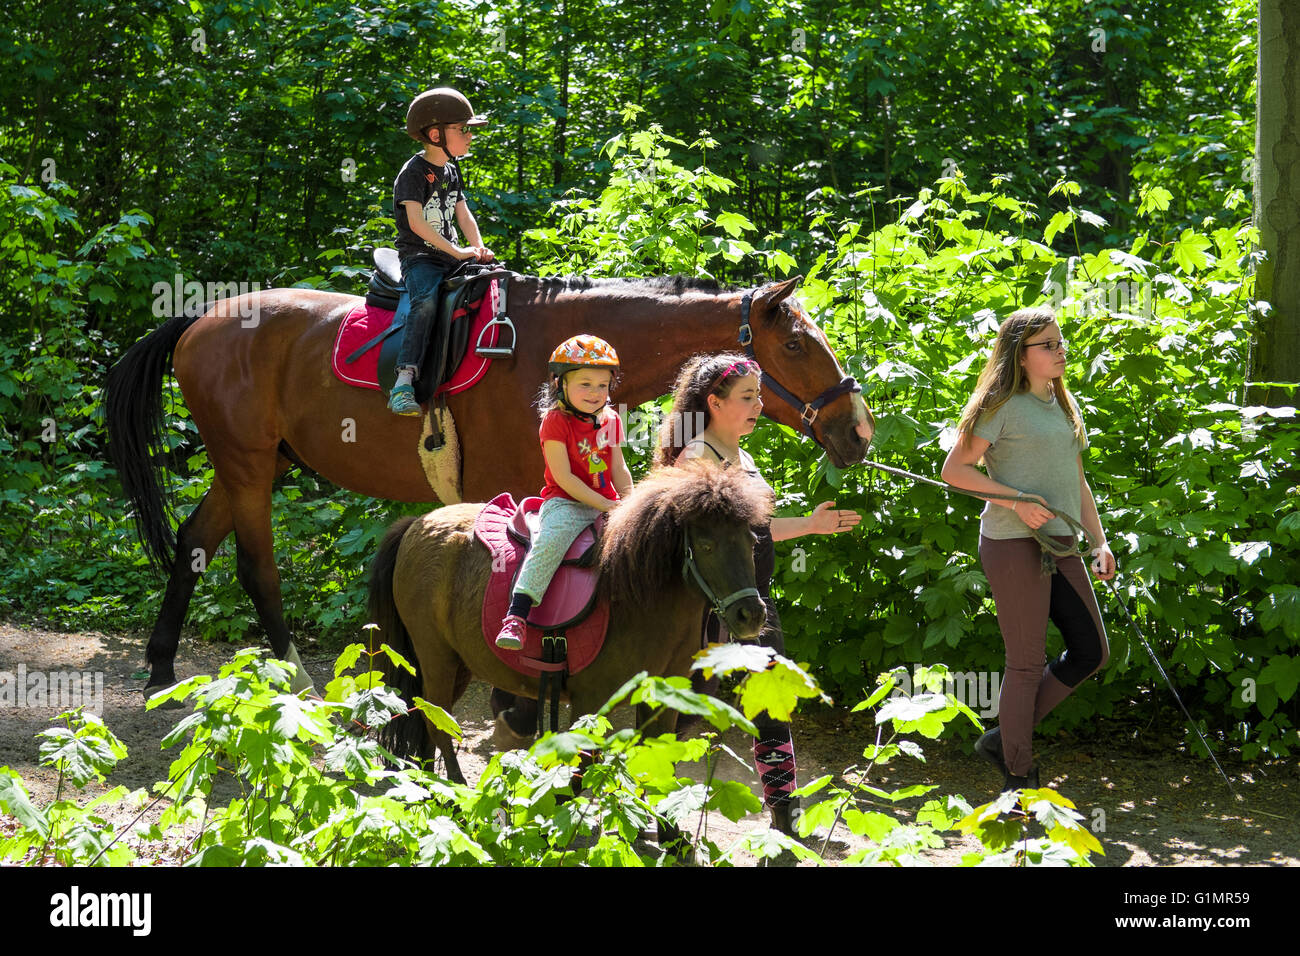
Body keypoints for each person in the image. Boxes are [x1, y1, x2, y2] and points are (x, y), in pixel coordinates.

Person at [656, 352, 862, 834]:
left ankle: (783, 819)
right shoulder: (696, 457)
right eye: (747, 397)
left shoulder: (742, 457)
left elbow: (757, 532)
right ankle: (656, 808)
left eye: (760, 396)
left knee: (773, 702)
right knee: (684, 708)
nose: (758, 405)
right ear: (714, 402)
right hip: (710, 607)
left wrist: (811, 526)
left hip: (753, 601)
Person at [940, 308, 1115, 792]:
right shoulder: (1001, 406)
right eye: (1049, 345)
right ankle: (1017, 775)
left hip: (1063, 543)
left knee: (1091, 650)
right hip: (1012, 544)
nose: (1061, 352)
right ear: (1021, 353)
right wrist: (1015, 501)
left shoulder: (1061, 402)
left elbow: (1077, 481)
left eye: (1060, 343)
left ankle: (1002, 738)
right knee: (1025, 662)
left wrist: (1099, 542)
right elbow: (954, 471)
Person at [495, 335, 634, 649]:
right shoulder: (555, 422)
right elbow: (564, 477)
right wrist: (604, 503)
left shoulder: (611, 418)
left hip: (606, 502)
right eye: (585, 384)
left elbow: (618, 468)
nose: (596, 393)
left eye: (603, 385)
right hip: (566, 502)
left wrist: (632, 501)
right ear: (560, 384)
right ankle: (517, 614)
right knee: (551, 542)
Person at [388, 87, 495, 416]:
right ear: (435, 134)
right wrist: (456, 251)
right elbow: (417, 223)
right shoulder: (413, 173)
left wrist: (476, 247)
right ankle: (404, 381)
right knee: (426, 301)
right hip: (420, 259)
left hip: (452, 256)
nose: (469, 136)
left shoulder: (451, 170)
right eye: (463, 129)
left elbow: (463, 213)